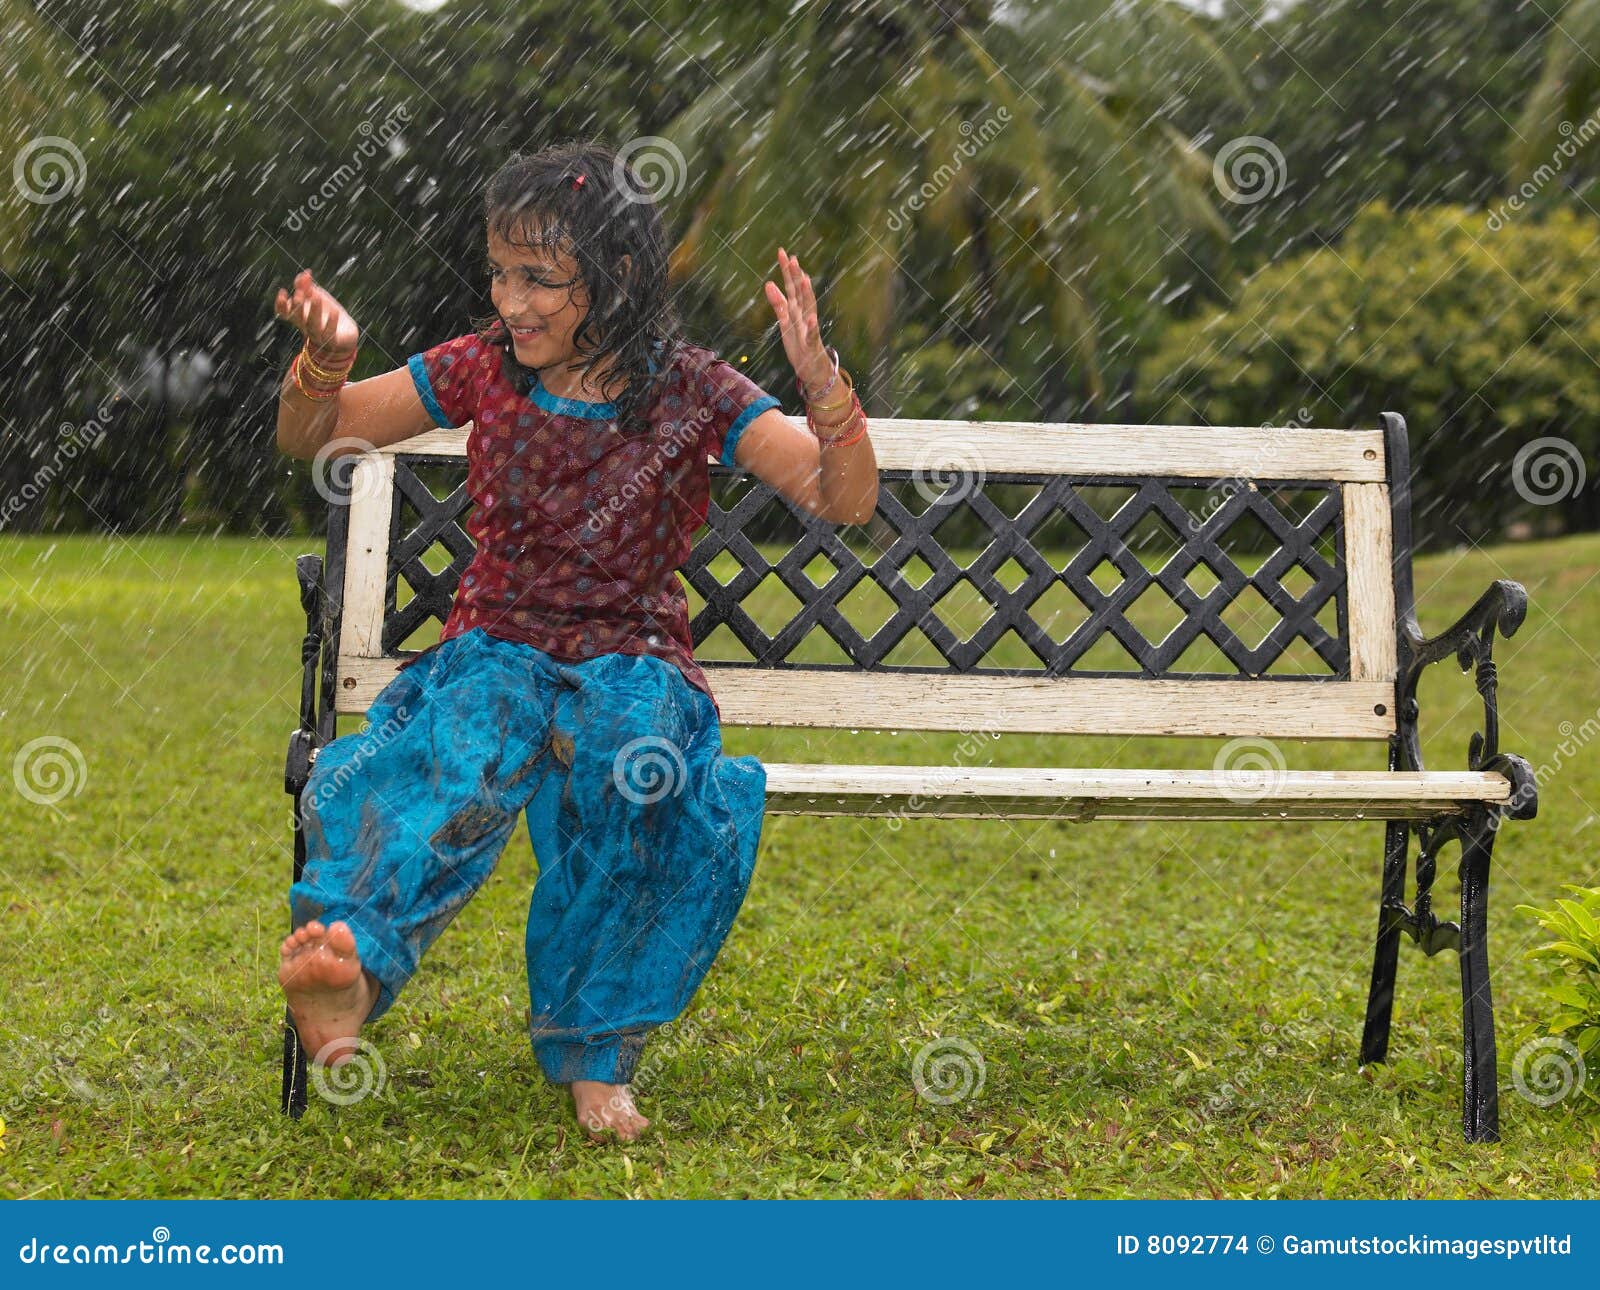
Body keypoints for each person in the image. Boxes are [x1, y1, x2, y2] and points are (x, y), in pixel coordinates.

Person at [270, 139, 877, 1141]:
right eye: (501, 272)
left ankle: (596, 1051)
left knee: (641, 778)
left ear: (617, 277)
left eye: (540, 278)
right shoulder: (482, 368)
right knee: (453, 752)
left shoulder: (694, 388)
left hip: (631, 656)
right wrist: (324, 361)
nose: (511, 301)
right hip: (498, 642)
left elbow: (839, 497)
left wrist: (821, 384)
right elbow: (317, 434)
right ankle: (353, 963)